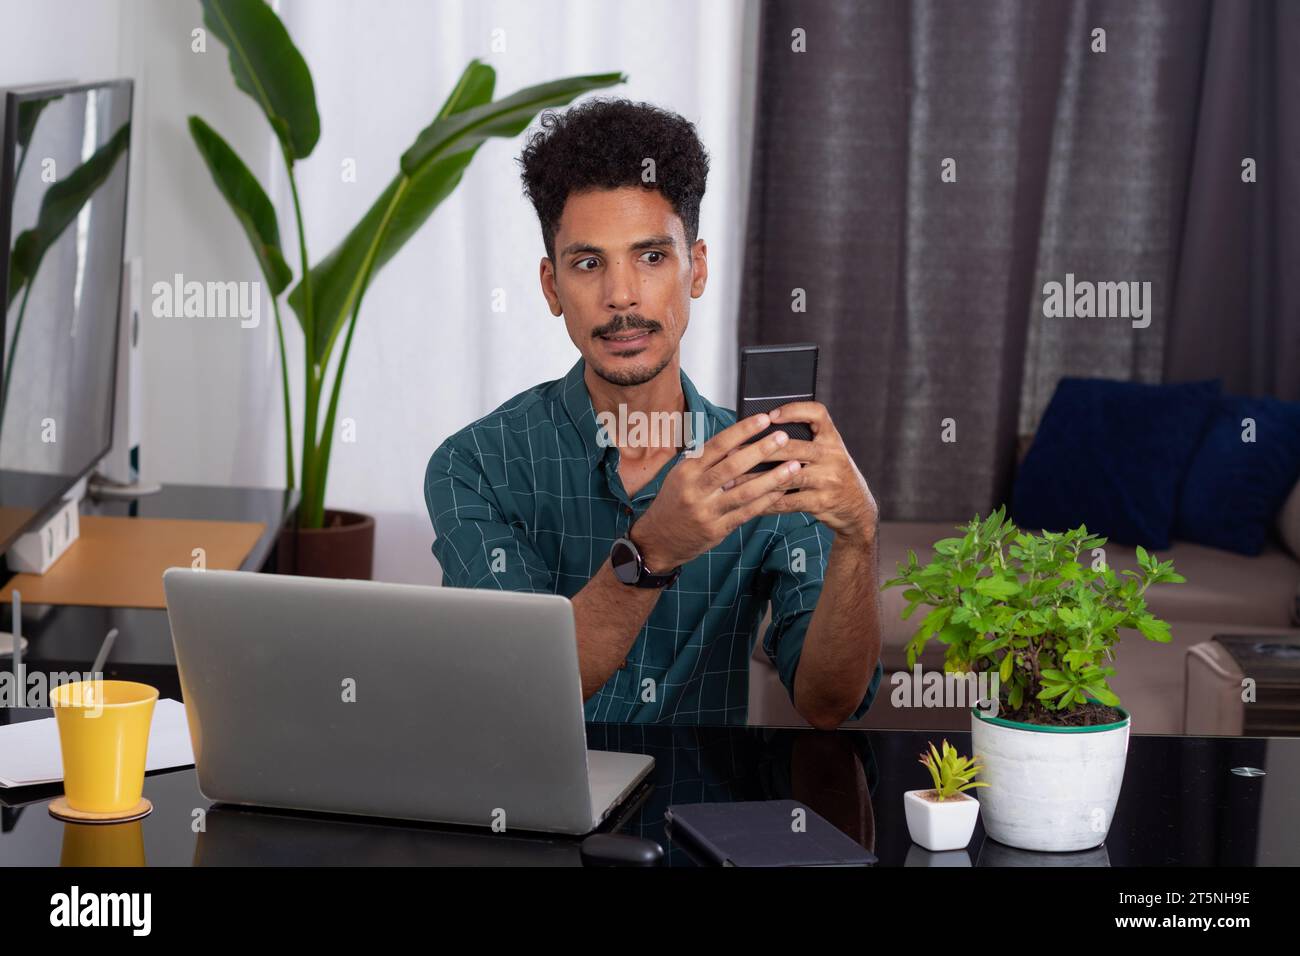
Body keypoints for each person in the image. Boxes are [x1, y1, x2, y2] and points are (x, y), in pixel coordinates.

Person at [424, 99, 882, 727]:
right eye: (589, 264)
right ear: (552, 287)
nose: (621, 296)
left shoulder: (766, 462)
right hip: (532, 821)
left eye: (651, 257)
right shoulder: (474, 465)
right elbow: (519, 690)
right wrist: (652, 551)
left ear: (696, 268)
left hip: (701, 819)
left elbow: (830, 705)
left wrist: (859, 537)